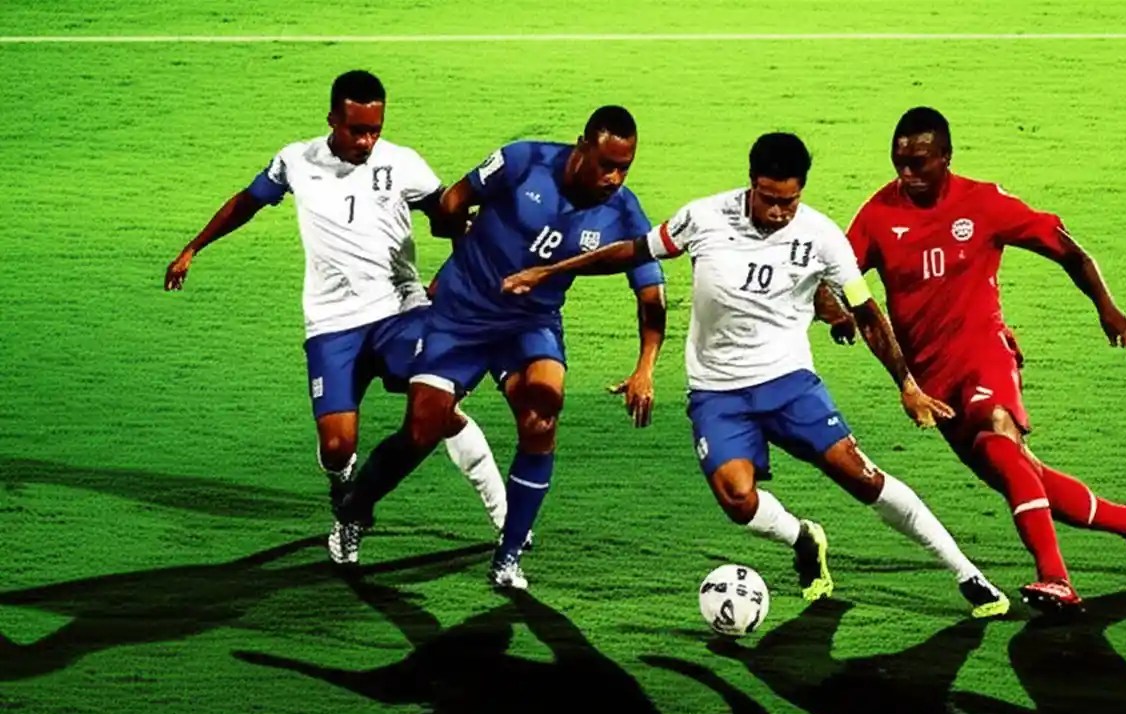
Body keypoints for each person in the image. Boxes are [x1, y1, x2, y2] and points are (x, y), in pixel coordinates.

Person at [502, 132, 1010, 618]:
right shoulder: (703, 217)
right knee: (737, 499)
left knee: (861, 476)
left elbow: (868, 313)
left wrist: (907, 385)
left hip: (789, 383)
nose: (777, 212)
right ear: (752, 183)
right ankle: (803, 538)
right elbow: (633, 251)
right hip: (717, 392)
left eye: (788, 201)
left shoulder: (819, 235)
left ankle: (965, 572)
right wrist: (548, 271)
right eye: (768, 199)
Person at [838, 106, 1126, 614]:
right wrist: (838, 310)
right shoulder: (878, 213)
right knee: (1020, 473)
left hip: (985, 354)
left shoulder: (983, 202)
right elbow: (840, 275)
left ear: (947, 158)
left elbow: (1069, 251)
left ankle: (1056, 578)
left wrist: (1107, 308)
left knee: (1001, 439)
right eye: (899, 162)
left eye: (920, 163)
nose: (906, 174)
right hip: (932, 380)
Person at [163, 69, 508, 561]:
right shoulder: (296, 160)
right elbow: (247, 202)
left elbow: (450, 215)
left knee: (438, 408)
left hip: (399, 311)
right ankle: (344, 494)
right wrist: (193, 248)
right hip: (331, 325)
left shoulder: (403, 163)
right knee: (336, 446)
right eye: (357, 130)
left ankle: (507, 520)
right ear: (332, 120)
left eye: (375, 129)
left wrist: (456, 283)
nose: (368, 140)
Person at [332, 105, 668, 589]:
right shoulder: (523, 161)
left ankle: (508, 555)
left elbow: (651, 298)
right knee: (423, 429)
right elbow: (452, 202)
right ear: (582, 147)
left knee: (542, 416)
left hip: (529, 323)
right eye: (606, 164)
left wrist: (645, 368)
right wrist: (459, 248)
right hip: (459, 316)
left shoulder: (623, 213)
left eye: (624, 168)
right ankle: (354, 508)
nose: (614, 177)